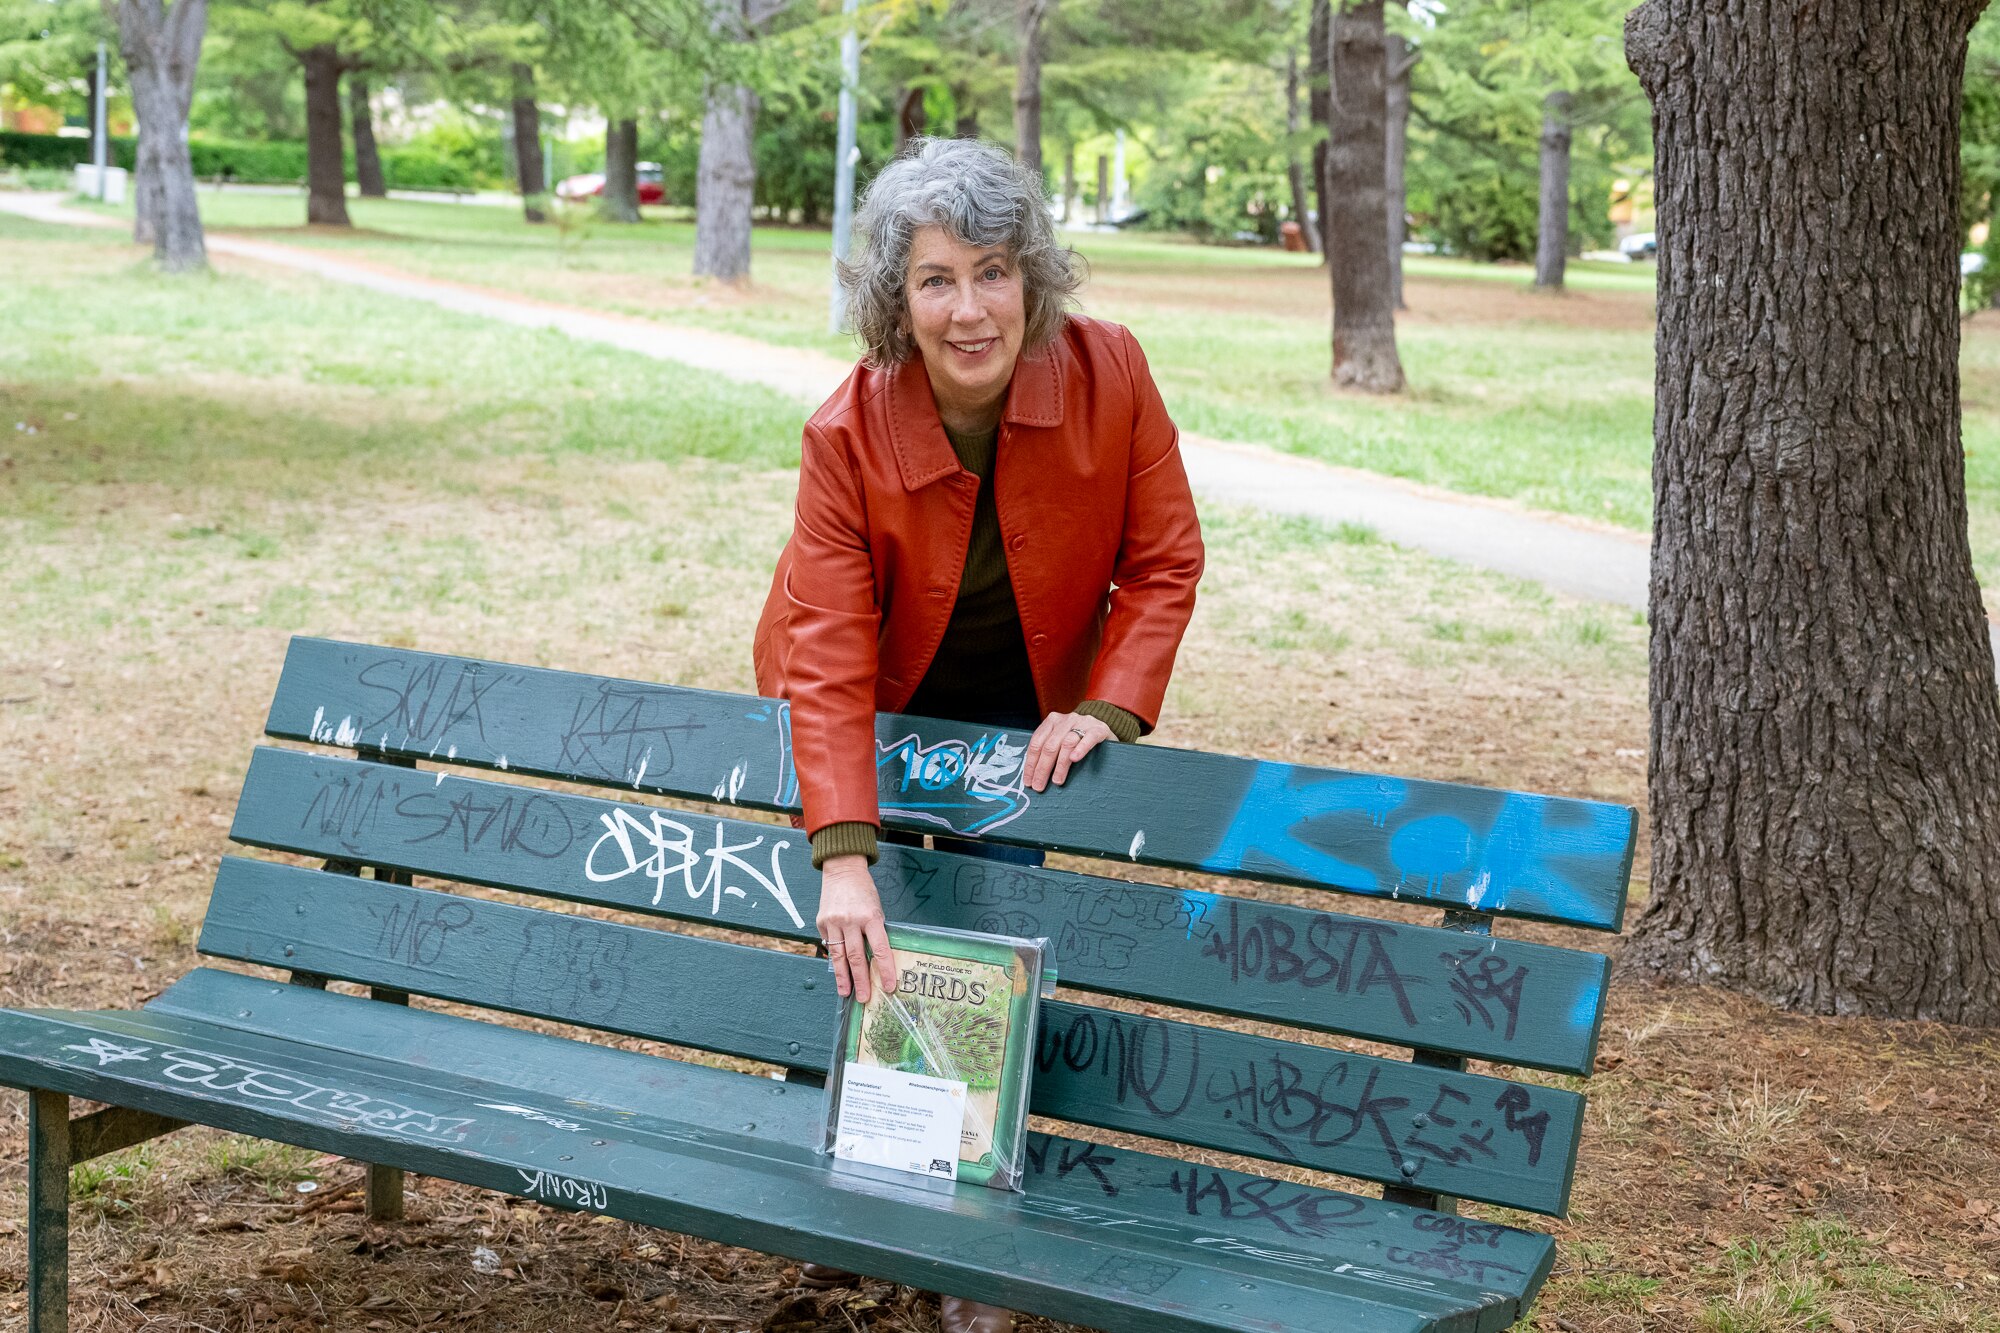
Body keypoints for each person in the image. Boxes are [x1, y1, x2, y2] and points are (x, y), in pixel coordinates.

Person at [751, 136, 1204, 1333]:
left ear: (1032, 279)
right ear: (895, 302)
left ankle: (963, 1250)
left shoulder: (1110, 372)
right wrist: (841, 848)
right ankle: (846, 1206)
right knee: (862, 931)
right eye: (936, 279)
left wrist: (1103, 705)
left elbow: (1162, 563)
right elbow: (831, 650)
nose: (969, 310)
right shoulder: (846, 430)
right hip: (873, 706)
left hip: (1025, 715)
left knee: (991, 941)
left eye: (994, 271)